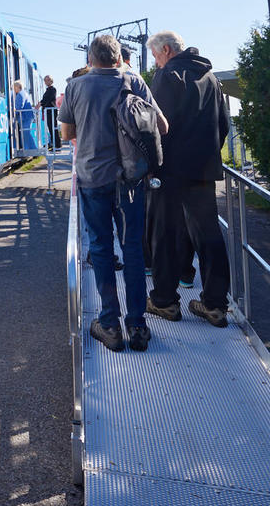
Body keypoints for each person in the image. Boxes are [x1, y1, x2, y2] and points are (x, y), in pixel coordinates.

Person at [58, 34, 155, 352]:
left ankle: (110, 325)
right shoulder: (134, 81)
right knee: (133, 249)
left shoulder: (76, 86)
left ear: (91, 59)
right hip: (130, 181)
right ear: (118, 58)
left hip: (93, 178)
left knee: (100, 248)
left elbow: (66, 133)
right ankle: (137, 325)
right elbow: (161, 125)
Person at [145, 30, 232, 327]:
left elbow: (156, 126)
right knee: (209, 236)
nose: (156, 63)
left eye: (155, 56)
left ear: (167, 50)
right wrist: (207, 155)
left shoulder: (167, 75)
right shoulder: (211, 78)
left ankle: (164, 301)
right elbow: (223, 124)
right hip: (204, 169)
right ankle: (215, 305)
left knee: (165, 235)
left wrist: (152, 164)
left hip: (170, 170)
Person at [38, 75, 58, 150]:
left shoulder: (53, 89)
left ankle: (57, 145)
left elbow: (48, 99)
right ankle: (54, 144)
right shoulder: (48, 90)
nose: (46, 81)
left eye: (48, 80)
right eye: (45, 80)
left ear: (51, 81)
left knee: (53, 127)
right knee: (50, 128)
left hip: (51, 111)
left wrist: (41, 103)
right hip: (48, 111)